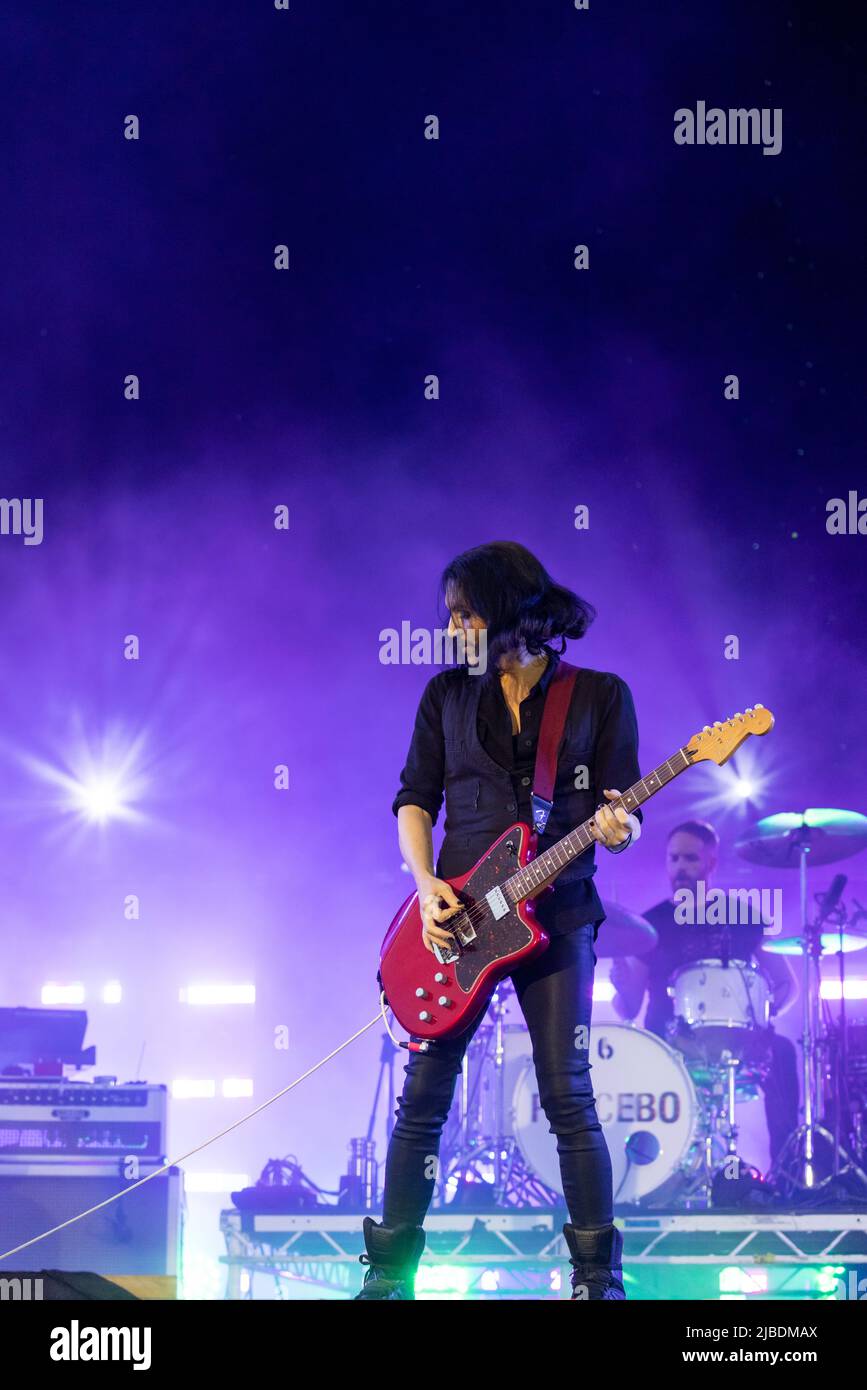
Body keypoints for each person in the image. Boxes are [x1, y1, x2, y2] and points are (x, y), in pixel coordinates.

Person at [356, 540, 643, 1300]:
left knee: (566, 1097)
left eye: (464, 613)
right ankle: (387, 1276)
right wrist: (424, 886)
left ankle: (594, 1279)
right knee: (423, 1096)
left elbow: (621, 808)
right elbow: (414, 799)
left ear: (510, 609)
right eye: (448, 615)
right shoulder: (444, 696)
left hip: (560, 911)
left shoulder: (599, 695)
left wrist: (620, 828)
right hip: (458, 920)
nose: (451, 628)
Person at [610, 820, 800, 1164]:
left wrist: (763, 1023)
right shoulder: (648, 924)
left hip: (738, 1042)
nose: (680, 867)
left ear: (711, 863)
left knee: (783, 1052)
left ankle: (787, 1173)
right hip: (668, 1043)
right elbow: (629, 1008)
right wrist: (621, 986)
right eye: (674, 859)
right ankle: (655, 1175)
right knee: (637, 1061)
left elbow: (787, 986)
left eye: (690, 859)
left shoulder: (744, 916)